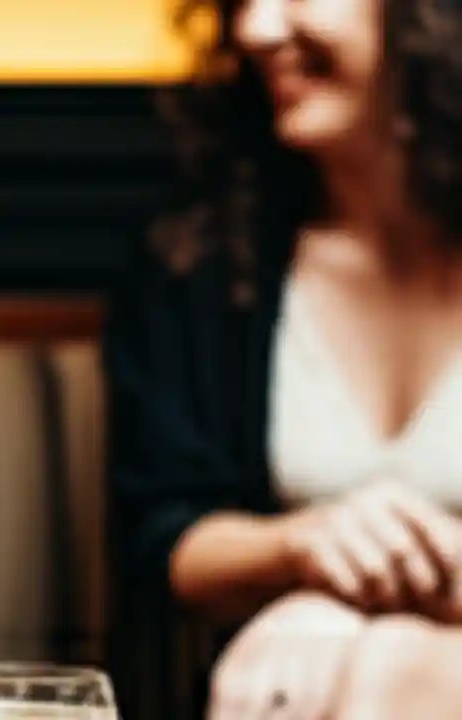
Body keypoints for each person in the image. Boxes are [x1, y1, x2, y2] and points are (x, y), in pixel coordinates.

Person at [109, 0, 462, 716]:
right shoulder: (205, 260)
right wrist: (299, 550)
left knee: (396, 667)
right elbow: (162, 536)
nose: (256, 28)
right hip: (292, 677)